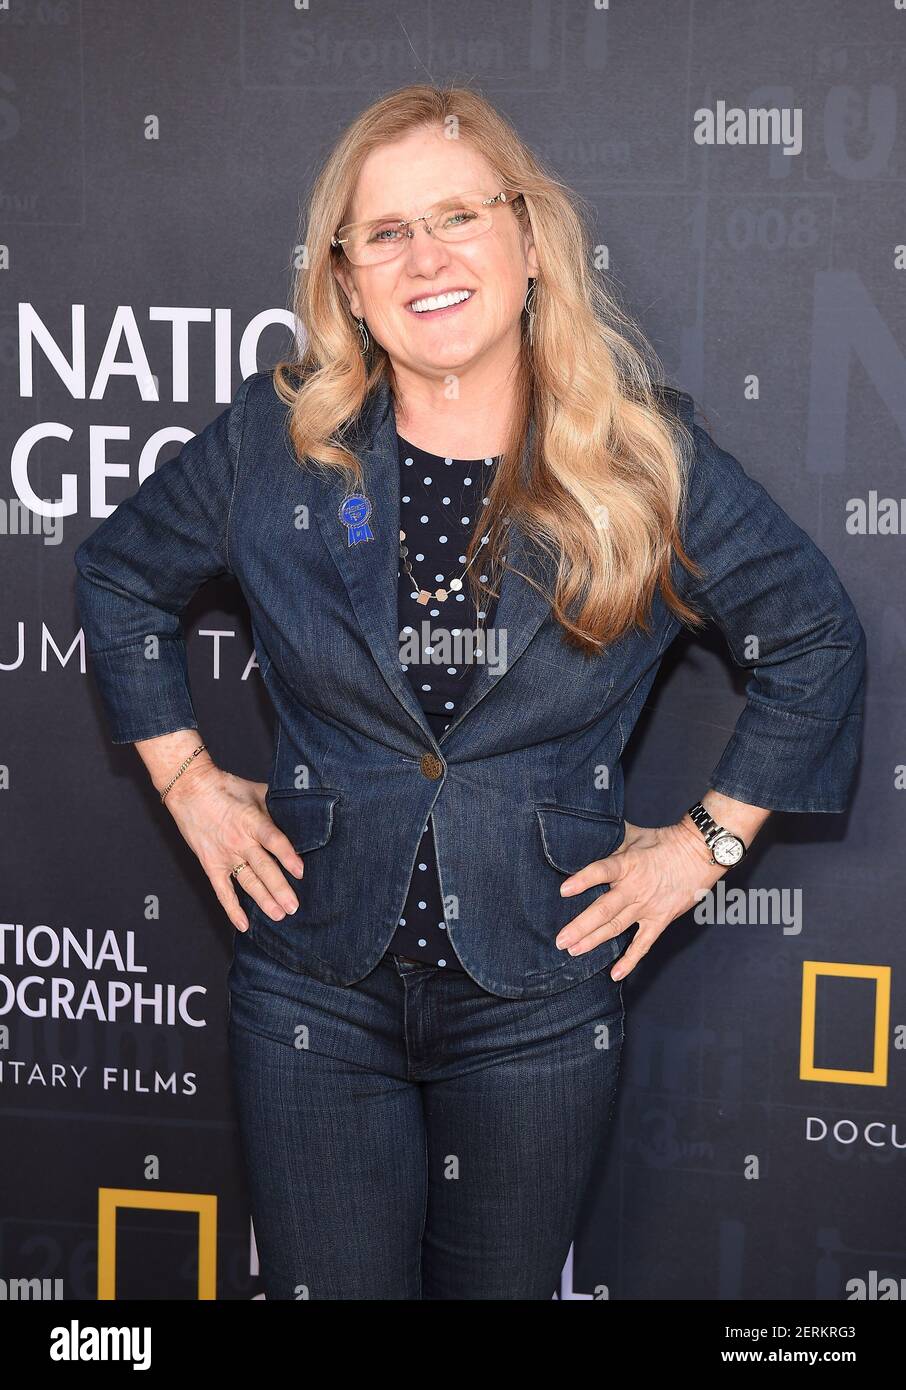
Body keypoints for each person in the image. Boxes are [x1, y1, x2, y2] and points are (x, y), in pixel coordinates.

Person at [74, 84, 866, 1300]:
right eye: (382, 232)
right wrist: (185, 779)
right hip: (311, 996)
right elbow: (121, 576)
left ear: (531, 241)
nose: (425, 258)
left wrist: (704, 845)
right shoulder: (275, 441)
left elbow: (813, 637)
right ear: (344, 278)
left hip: (540, 999)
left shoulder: (644, 456)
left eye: (458, 215)